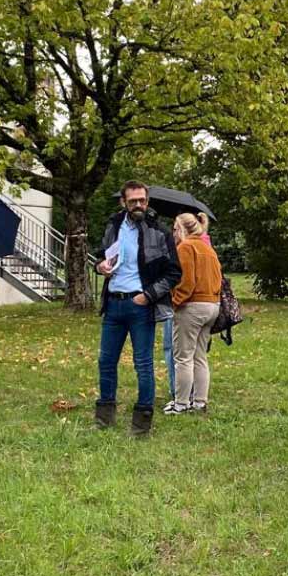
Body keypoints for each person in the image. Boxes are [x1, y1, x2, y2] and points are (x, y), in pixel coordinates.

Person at [94, 181, 182, 435]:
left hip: (140, 305)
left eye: (142, 200)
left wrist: (148, 295)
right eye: (132, 201)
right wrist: (100, 266)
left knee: (143, 364)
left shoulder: (159, 231)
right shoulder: (113, 226)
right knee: (106, 361)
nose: (138, 205)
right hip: (113, 303)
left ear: (147, 201)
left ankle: (142, 421)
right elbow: (101, 256)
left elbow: (174, 272)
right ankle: (104, 416)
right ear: (123, 202)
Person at [165, 212, 223, 415]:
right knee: (200, 357)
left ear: (182, 229)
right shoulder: (208, 249)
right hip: (212, 306)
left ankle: (181, 403)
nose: (173, 233)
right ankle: (200, 401)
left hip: (192, 306)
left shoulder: (186, 247)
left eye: (175, 229)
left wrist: (173, 302)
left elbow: (186, 282)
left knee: (182, 357)